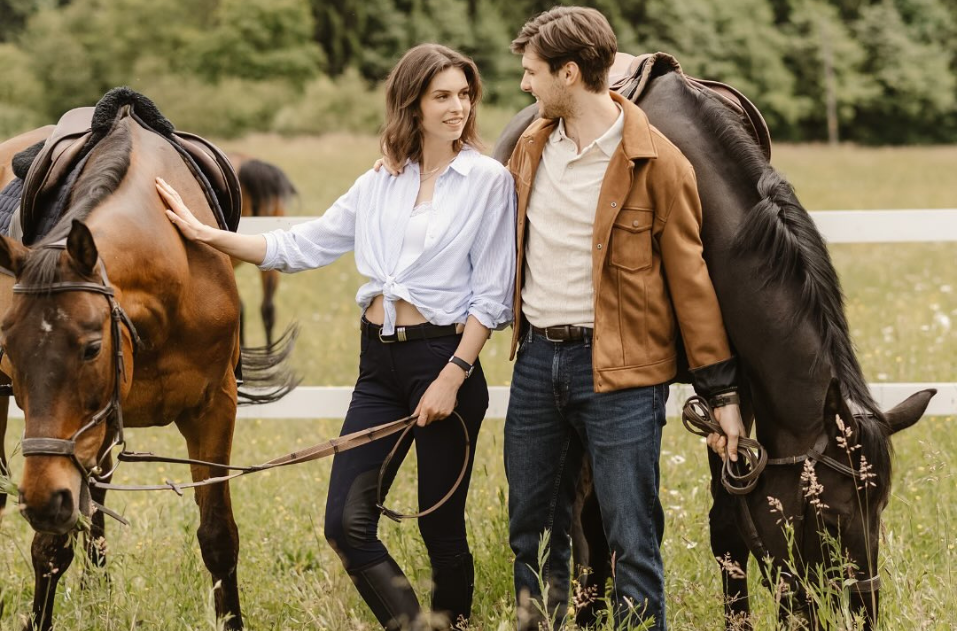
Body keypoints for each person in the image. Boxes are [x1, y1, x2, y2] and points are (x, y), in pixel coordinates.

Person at [156, 43, 516, 630]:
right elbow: (299, 246)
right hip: (378, 364)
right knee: (346, 525)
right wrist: (205, 234)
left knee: (439, 526)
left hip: (442, 358)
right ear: (412, 103)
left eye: (464, 94)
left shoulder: (487, 181)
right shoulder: (379, 182)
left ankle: (456, 622)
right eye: (443, 96)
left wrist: (454, 375)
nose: (459, 107)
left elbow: (492, 294)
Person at [502, 7, 746, 630]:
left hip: (624, 376)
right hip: (535, 365)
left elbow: (692, 287)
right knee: (531, 529)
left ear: (570, 72)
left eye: (532, 73)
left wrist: (722, 396)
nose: (524, 86)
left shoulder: (659, 163)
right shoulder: (530, 148)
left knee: (631, 537)